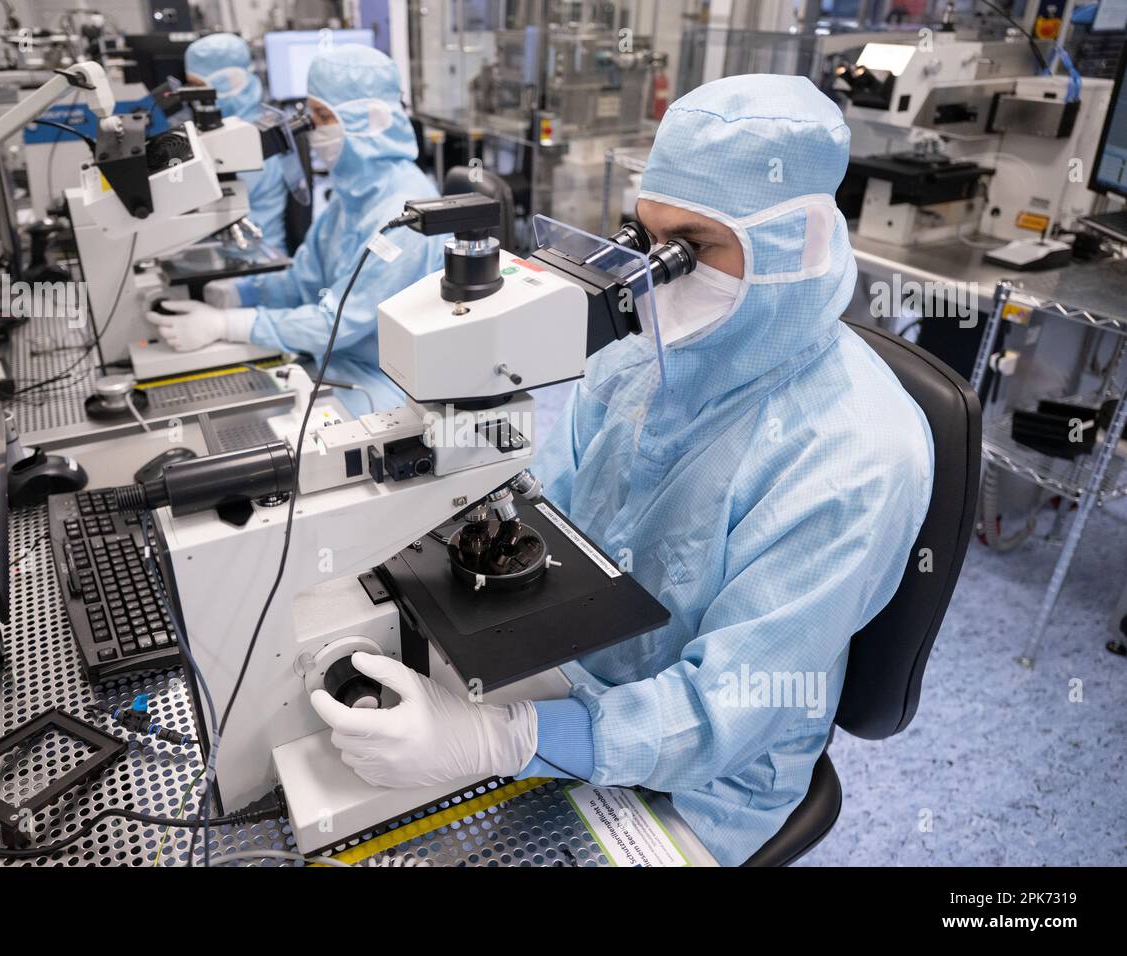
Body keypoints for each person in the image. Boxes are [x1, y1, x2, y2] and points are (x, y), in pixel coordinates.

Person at [308, 74, 935, 866]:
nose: (658, 278)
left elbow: (725, 713)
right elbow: (550, 512)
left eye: (695, 247)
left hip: (701, 777)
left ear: (797, 242)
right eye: (647, 239)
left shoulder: (859, 454)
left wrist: (502, 739)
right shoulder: (649, 357)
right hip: (570, 675)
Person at [148, 44, 446, 417]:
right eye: (310, 114)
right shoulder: (352, 197)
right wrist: (238, 294)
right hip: (332, 360)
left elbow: (334, 324)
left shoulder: (404, 216)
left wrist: (228, 325)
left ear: (371, 119)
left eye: (323, 116)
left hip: (387, 385)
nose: (313, 130)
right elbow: (304, 282)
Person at [183, 33, 291, 255]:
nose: (191, 96)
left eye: (197, 86)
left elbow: (199, 208)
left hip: (256, 259)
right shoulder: (242, 125)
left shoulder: (251, 140)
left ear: (227, 82)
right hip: (231, 254)